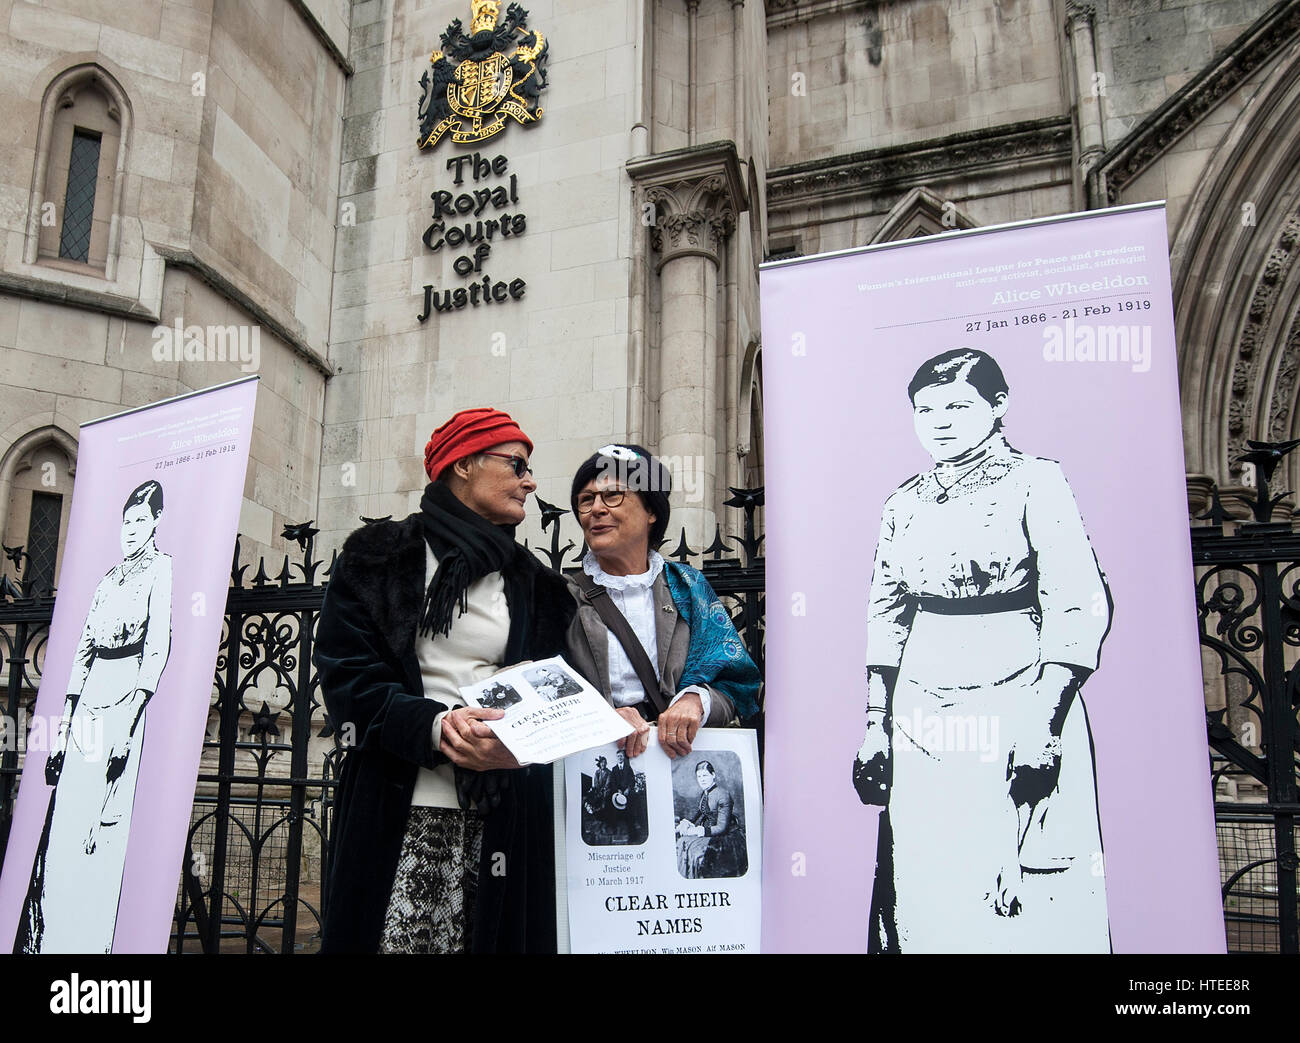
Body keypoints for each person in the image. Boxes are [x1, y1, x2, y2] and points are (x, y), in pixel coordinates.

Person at [853, 348, 1112, 953]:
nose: (939, 421)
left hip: (1020, 683)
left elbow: (1077, 602)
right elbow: (885, 616)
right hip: (922, 698)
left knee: (1030, 870)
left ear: (998, 407)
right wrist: (875, 724)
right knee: (926, 871)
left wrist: (1044, 721)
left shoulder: (1038, 482)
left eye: (957, 406)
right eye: (926, 409)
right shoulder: (903, 503)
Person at [313, 407, 575, 954]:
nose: (531, 481)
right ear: (463, 464)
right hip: (399, 804)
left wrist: (517, 737)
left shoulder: (539, 585)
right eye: (517, 464)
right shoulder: (378, 556)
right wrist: (437, 728)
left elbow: (551, 688)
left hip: (503, 810)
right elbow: (347, 677)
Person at [16, 480, 173, 953]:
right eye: (126, 522)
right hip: (88, 698)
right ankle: (49, 938)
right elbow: (84, 648)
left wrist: (128, 721)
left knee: (100, 824)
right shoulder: (108, 578)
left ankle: (86, 942)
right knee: (64, 818)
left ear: (155, 523)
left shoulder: (159, 570)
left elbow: (157, 645)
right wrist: (64, 724)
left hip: (125, 697)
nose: (131, 530)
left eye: (140, 522)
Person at [564, 444, 760, 759]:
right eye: (586, 500)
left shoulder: (689, 587)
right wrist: (599, 719)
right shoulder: (561, 596)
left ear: (651, 511)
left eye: (613, 495)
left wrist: (695, 701)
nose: (596, 509)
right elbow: (540, 693)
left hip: (675, 767)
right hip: (592, 769)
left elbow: (737, 685)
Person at [676, 759, 747, 878]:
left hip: (724, 836)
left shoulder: (723, 795)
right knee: (682, 842)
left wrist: (698, 830)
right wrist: (688, 822)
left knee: (692, 849)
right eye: (699, 776)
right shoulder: (705, 793)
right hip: (710, 831)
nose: (702, 779)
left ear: (713, 775)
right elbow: (701, 810)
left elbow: (722, 828)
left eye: (705, 775)